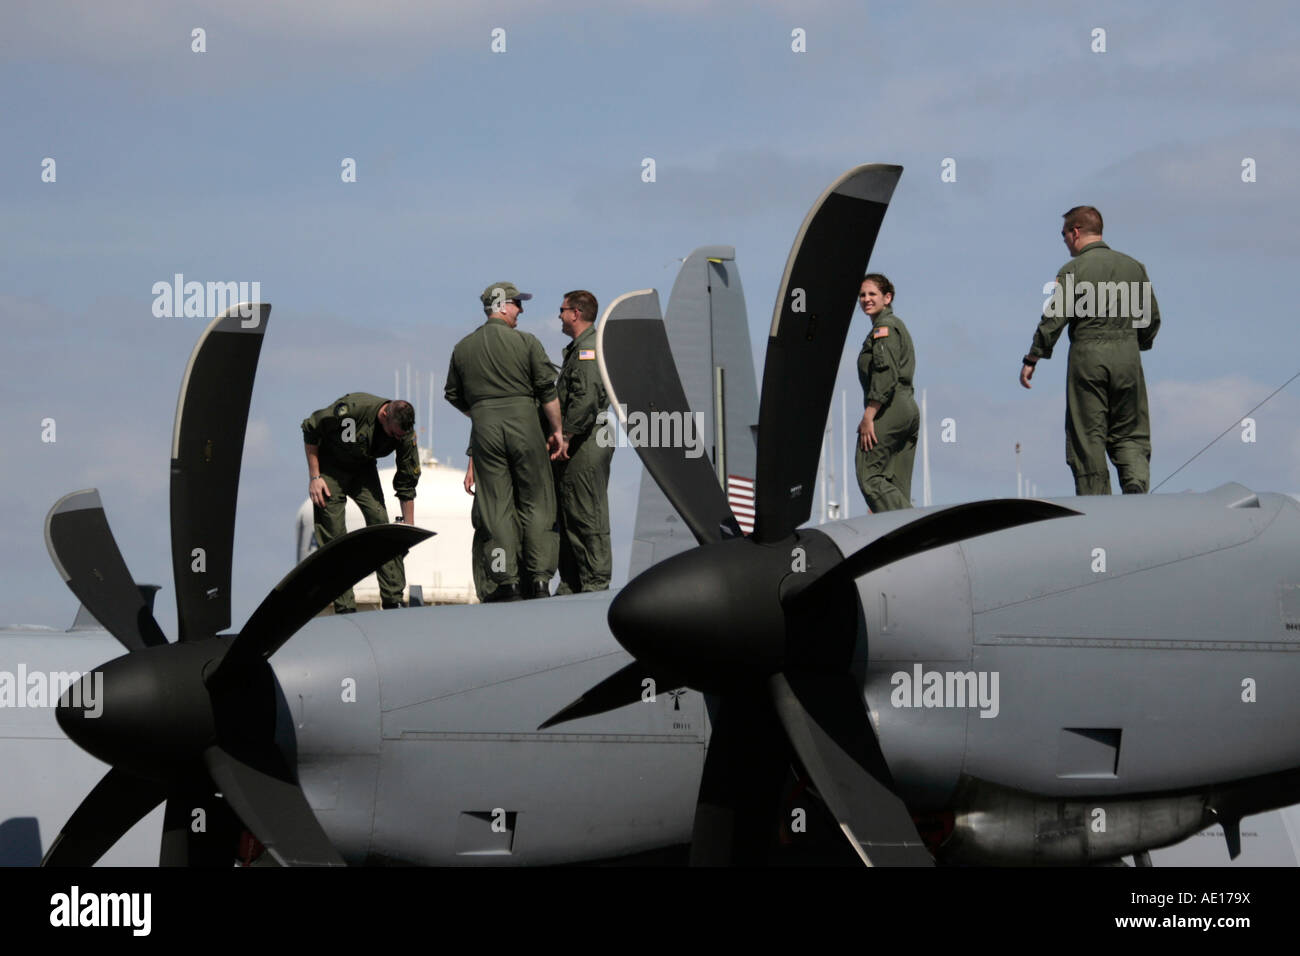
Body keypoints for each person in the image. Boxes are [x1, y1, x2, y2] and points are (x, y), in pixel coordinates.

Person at [1020, 206, 1161, 494]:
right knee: (1130, 430)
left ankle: (1097, 503)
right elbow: (1151, 318)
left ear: (1075, 232)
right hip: (1127, 357)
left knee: (1088, 435)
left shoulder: (1073, 270)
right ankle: (1134, 483)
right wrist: (1137, 344)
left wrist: (1033, 356)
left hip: (1088, 356)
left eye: (1063, 235)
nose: (1064, 242)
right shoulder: (1134, 267)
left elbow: (1054, 319)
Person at [445, 282, 565, 601]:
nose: (520, 311)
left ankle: (506, 581)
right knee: (537, 501)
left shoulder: (463, 348)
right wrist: (556, 431)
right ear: (502, 306)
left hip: (485, 429)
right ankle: (539, 580)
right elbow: (547, 391)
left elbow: (453, 394)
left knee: (495, 509)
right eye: (517, 304)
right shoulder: (526, 342)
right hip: (524, 424)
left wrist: (483, 413)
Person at [302, 394, 419, 612]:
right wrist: (315, 477)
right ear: (384, 415)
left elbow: (407, 480)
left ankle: (393, 600)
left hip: (362, 469)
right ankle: (345, 607)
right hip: (331, 468)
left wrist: (408, 529)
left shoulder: (404, 433)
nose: (396, 438)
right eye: (392, 433)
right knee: (335, 535)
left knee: (382, 524)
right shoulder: (353, 409)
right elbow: (310, 427)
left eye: (399, 435)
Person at [553, 290, 613, 593]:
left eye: (562, 310)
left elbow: (586, 399)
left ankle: (595, 586)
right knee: (572, 513)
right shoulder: (581, 348)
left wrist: (566, 436)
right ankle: (573, 584)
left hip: (586, 440)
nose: (559, 315)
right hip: (582, 440)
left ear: (575, 313)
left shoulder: (588, 350)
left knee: (587, 512)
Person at [855, 274, 918, 512]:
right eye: (862, 295)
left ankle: (916, 529)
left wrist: (869, 415)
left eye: (872, 294)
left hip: (890, 406)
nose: (866, 299)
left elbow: (885, 373)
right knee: (895, 486)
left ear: (887, 297)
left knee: (869, 476)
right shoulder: (894, 326)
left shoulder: (884, 328)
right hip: (906, 408)